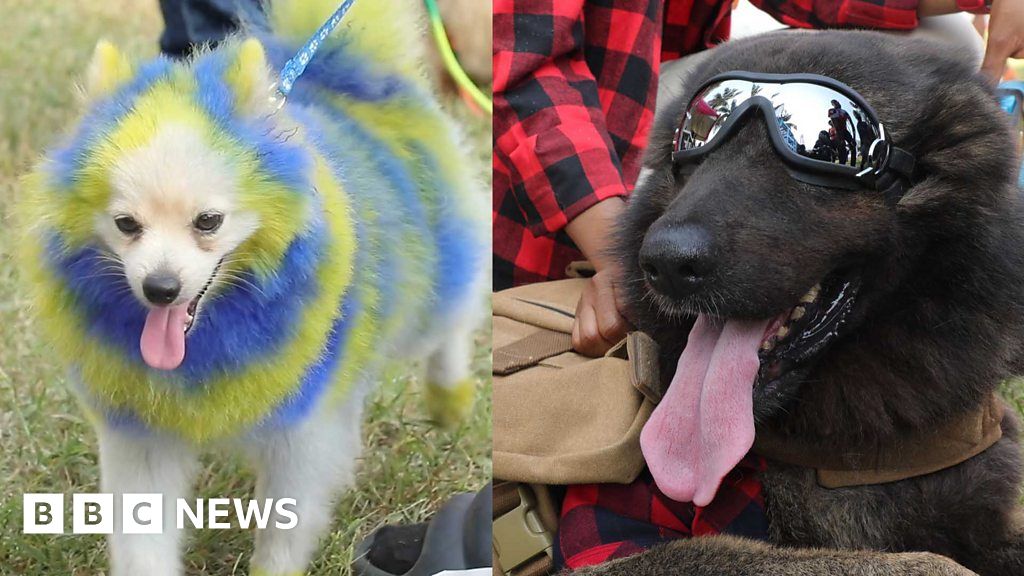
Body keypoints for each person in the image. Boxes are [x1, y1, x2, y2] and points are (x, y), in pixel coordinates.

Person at [495, 0, 1024, 360]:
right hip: (547, 226)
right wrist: (617, 259)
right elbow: (520, 67)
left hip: (646, 155)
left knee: (945, 33)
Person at [828, 99, 857, 166]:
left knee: (853, 146)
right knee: (841, 151)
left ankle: (853, 166)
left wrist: (853, 137)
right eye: (834, 103)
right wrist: (839, 136)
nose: (837, 103)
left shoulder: (844, 111)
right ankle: (841, 167)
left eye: (837, 101)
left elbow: (851, 124)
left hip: (845, 131)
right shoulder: (832, 110)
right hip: (838, 132)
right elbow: (835, 123)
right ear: (833, 105)